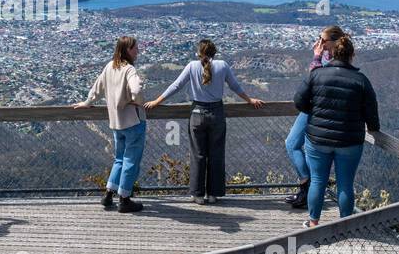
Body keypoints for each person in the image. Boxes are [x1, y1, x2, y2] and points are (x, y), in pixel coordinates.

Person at [146, 39, 264, 204]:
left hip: (197, 114)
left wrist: (156, 101)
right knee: (216, 154)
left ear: (199, 53)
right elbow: (235, 87)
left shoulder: (192, 66)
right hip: (217, 113)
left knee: (198, 155)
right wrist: (249, 100)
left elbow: (176, 86)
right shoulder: (222, 65)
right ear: (215, 52)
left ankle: (198, 194)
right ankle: (213, 193)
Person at [291, 30, 380, 227]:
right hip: (350, 141)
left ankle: (314, 223)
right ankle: (345, 226)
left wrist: (314, 114)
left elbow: (299, 101)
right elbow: (371, 112)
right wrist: (373, 129)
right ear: (351, 55)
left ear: (331, 53)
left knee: (318, 181)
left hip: (318, 139)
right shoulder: (361, 81)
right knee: (345, 184)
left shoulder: (317, 75)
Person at [73, 36, 147, 213]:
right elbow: (136, 90)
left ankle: (108, 194)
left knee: (119, 158)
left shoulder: (110, 66)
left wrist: (87, 102)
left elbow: (97, 88)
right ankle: (124, 199)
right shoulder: (129, 69)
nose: (138, 51)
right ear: (127, 50)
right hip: (133, 121)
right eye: (135, 48)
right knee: (131, 160)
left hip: (115, 122)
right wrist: (137, 101)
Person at [283, 26, 342, 210]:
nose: (320, 42)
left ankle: (307, 188)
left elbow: (315, 77)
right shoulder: (327, 57)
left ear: (334, 42)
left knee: (295, 144)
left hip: (318, 109)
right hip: (314, 106)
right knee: (295, 144)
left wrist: (316, 57)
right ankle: (308, 187)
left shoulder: (336, 59)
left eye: (323, 40)